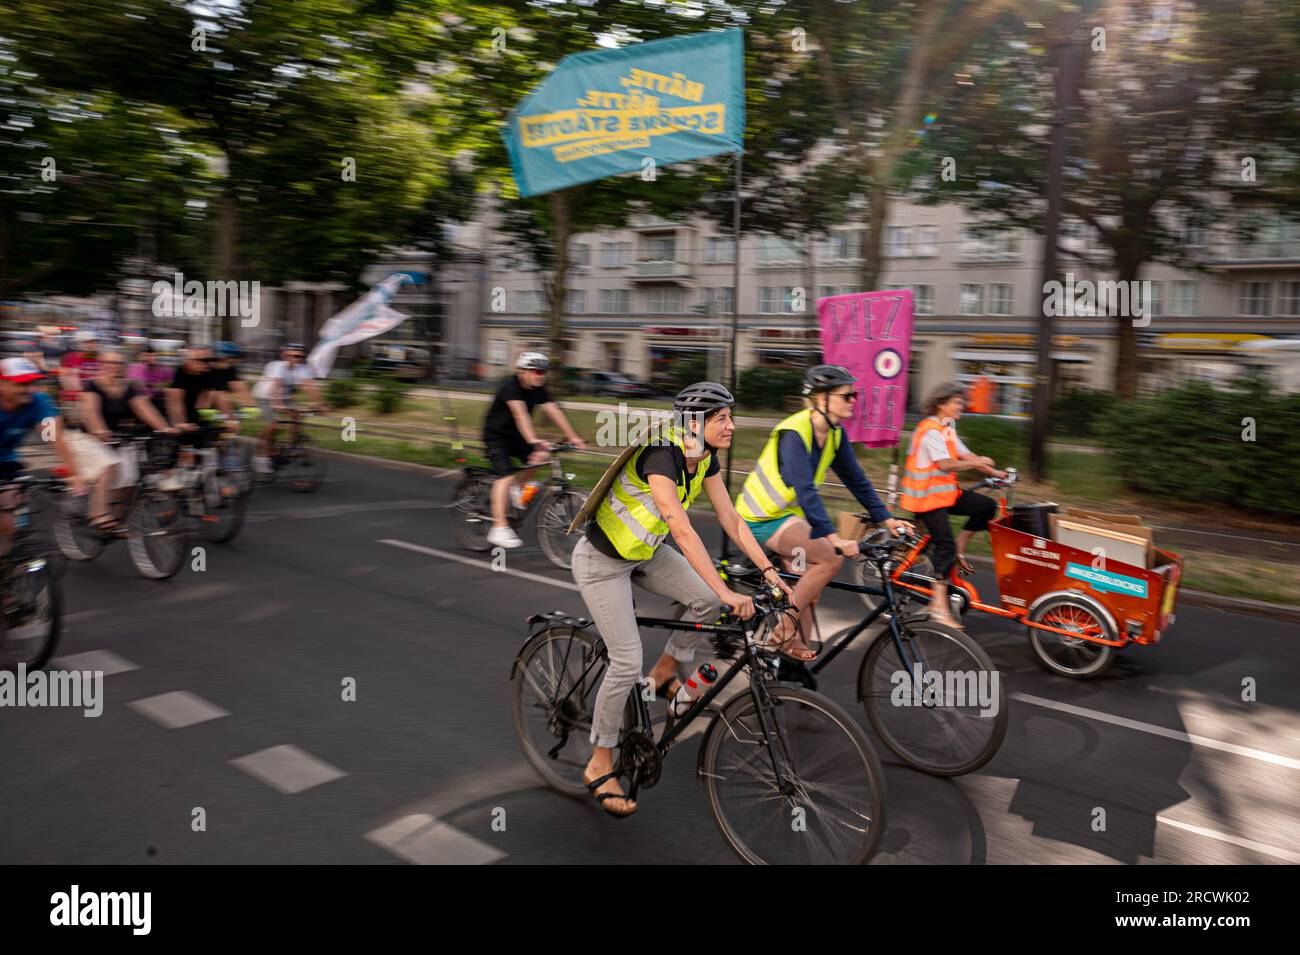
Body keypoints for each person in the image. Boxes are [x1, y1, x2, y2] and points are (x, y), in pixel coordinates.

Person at [571, 381, 793, 818]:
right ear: (695, 424)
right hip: (603, 561)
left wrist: (769, 571)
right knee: (625, 659)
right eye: (722, 419)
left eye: (731, 416)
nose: (732, 426)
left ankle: (665, 673)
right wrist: (728, 590)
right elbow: (681, 527)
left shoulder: (703, 457)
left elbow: (730, 517)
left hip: (645, 552)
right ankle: (599, 760)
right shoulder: (661, 455)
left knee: (706, 603)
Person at [735, 364, 913, 660]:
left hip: (786, 517)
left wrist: (887, 518)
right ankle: (783, 628)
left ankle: (789, 655)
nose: (854, 400)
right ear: (821, 399)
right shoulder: (794, 432)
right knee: (828, 557)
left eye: (854, 395)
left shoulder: (834, 434)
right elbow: (806, 491)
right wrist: (834, 538)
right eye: (847, 395)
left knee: (807, 583)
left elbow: (857, 481)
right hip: (758, 519)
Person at [900, 381, 1007, 629]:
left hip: (944, 495)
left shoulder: (947, 427)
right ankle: (938, 607)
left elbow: (965, 454)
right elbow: (946, 464)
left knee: (986, 507)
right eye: (957, 402)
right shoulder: (930, 431)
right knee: (943, 546)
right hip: (925, 499)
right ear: (941, 404)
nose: (962, 405)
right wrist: (976, 463)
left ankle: (958, 549)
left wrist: (995, 472)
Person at [481, 352, 587, 549]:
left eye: (544, 372)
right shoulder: (510, 387)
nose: (541, 376)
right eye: (537, 371)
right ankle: (499, 527)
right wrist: (533, 439)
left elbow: (554, 411)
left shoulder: (539, 389)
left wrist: (573, 437)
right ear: (522, 371)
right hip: (497, 438)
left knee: (542, 455)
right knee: (504, 476)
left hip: (517, 438)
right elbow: (520, 414)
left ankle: (518, 488)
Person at [76, 349, 174, 532]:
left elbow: (145, 409)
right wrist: (100, 430)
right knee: (107, 467)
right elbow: (91, 412)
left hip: (117, 439)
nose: (113, 367)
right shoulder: (92, 386)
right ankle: (97, 514)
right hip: (89, 438)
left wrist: (164, 428)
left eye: (118, 364)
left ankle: (117, 519)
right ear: (101, 365)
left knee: (130, 478)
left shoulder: (128, 388)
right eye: (109, 363)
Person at [0, 358, 84, 554]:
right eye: (21, 384)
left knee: (7, 523)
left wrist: (73, 474)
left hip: (6, 462)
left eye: (31, 383)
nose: (28, 389)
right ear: (2, 384)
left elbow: (53, 437)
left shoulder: (37, 402)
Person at [251, 343, 321, 472]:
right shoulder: (276, 366)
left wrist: (319, 403)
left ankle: (292, 446)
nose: (296, 359)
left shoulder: (302, 368)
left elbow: (308, 386)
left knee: (297, 415)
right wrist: (278, 404)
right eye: (293, 356)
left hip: (284, 397)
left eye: (300, 357)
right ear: (284, 355)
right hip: (265, 396)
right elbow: (275, 386)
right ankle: (261, 457)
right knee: (273, 425)